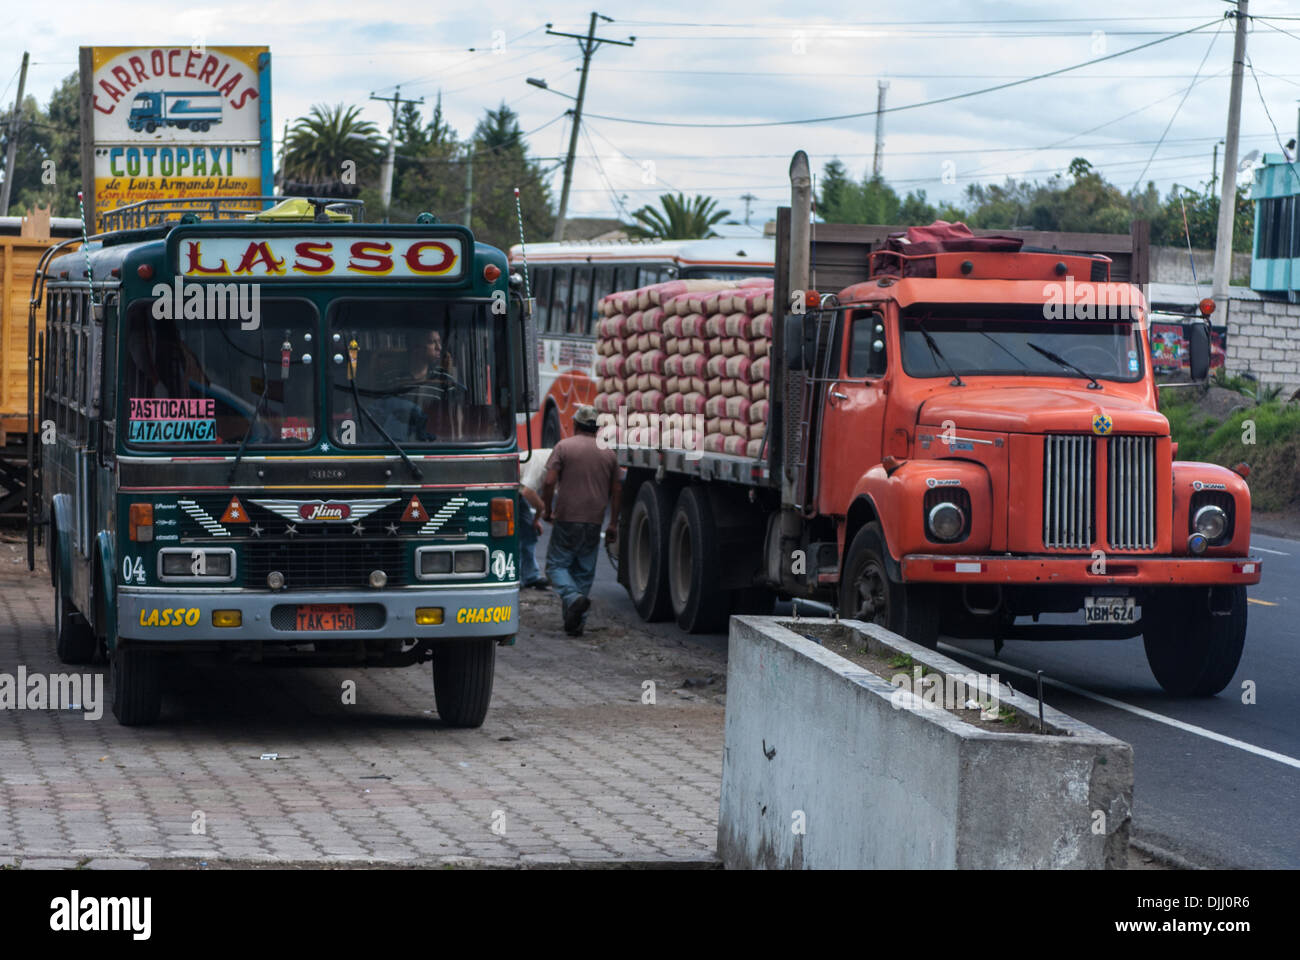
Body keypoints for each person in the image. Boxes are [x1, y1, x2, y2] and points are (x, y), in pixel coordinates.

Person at [540, 405, 620, 636]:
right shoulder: (609, 453)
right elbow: (617, 490)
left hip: (567, 517)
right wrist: (613, 522)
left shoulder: (564, 447)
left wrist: (547, 510)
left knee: (556, 566)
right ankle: (575, 623)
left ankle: (572, 597)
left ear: (575, 424)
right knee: (583, 571)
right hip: (594, 521)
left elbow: (548, 482)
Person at [517, 446, 552, 590]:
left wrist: (536, 520)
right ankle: (516, 576)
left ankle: (530, 576)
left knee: (529, 533)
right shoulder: (540, 464)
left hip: (517, 490)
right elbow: (529, 492)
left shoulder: (555, 460)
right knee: (514, 535)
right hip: (506, 488)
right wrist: (542, 509)